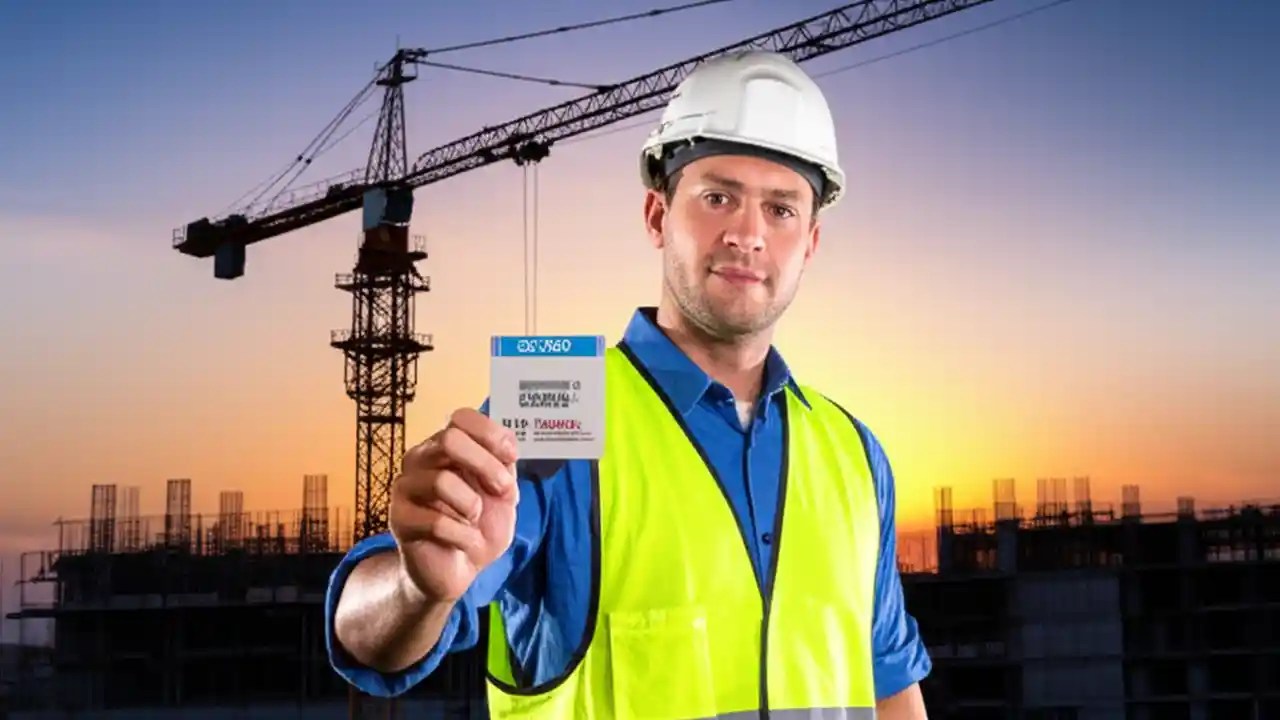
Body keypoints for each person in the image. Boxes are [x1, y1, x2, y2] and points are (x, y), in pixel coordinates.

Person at [325, 49, 932, 718]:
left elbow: (889, 685)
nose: (748, 234)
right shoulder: (555, 398)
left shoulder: (854, 452)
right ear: (656, 216)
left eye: (781, 210)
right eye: (718, 197)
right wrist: (416, 588)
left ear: (809, 243)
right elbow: (369, 637)